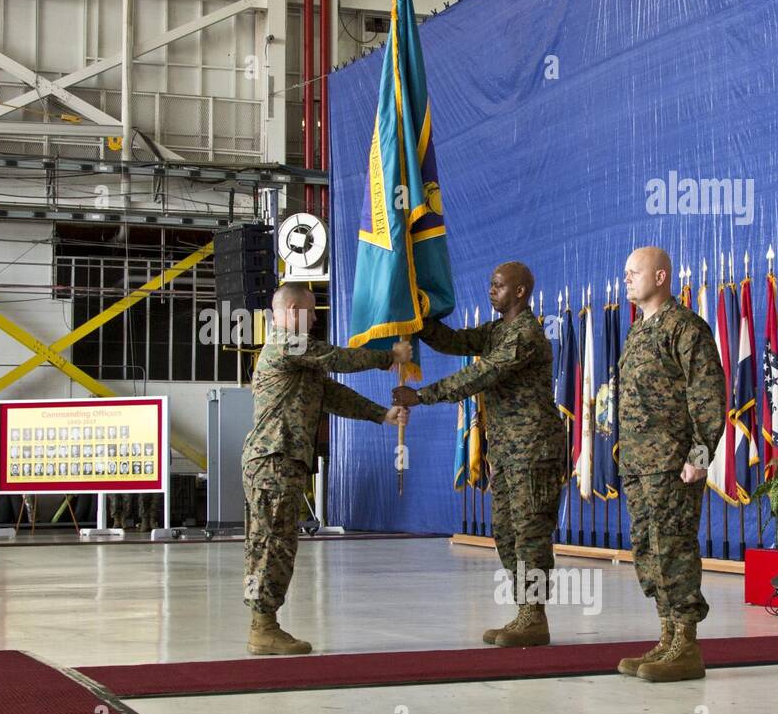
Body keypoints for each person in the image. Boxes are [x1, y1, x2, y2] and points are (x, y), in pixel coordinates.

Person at [393, 262, 567, 647]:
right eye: (490, 284)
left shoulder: (525, 334)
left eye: (498, 285)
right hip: (507, 451)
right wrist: (416, 315)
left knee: (530, 535)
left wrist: (422, 395)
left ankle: (534, 615)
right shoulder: (497, 330)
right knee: (506, 534)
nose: (491, 290)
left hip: (533, 450)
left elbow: (481, 375)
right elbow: (453, 342)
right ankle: (525, 612)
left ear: (520, 291)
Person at [242, 282, 410, 655]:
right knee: (273, 545)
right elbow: (337, 358)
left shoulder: (299, 358)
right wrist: (388, 356)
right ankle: (263, 626)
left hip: (278, 461)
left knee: (271, 542)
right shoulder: (288, 344)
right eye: (310, 309)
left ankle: (263, 623)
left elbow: (332, 394)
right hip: (274, 460)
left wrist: (380, 414)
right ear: (289, 312)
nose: (316, 318)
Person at [616, 246, 726, 682]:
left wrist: (700, 456)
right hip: (639, 464)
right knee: (648, 549)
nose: (626, 278)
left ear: (661, 277)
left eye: (634, 272)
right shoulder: (637, 331)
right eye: (624, 272)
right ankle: (666, 637)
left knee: (674, 548)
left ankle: (687, 644)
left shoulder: (685, 327)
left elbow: (708, 393)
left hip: (672, 463)